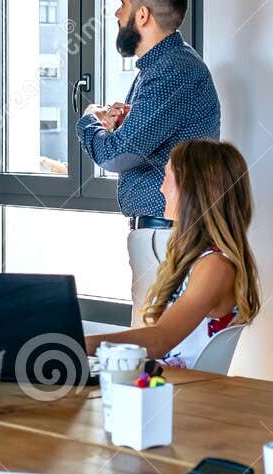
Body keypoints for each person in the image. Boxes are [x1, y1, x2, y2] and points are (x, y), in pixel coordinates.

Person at [77, 0, 220, 317]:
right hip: (165, 233)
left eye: (122, 4)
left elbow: (117, 154)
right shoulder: (170, 65)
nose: (116, 13)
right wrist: (126, 123)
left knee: (151, 348)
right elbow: (153, 140)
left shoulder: (170, 69)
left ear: (142, 15)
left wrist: (88, 120)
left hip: (165, 235)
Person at [86, 139, 258, 369]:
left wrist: (79, 343)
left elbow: (161, 340)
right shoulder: (198, 258)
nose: (162, 187)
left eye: (168, 177)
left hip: (178, 394)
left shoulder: (215, 266)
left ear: (191, 189)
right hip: (160, 386)